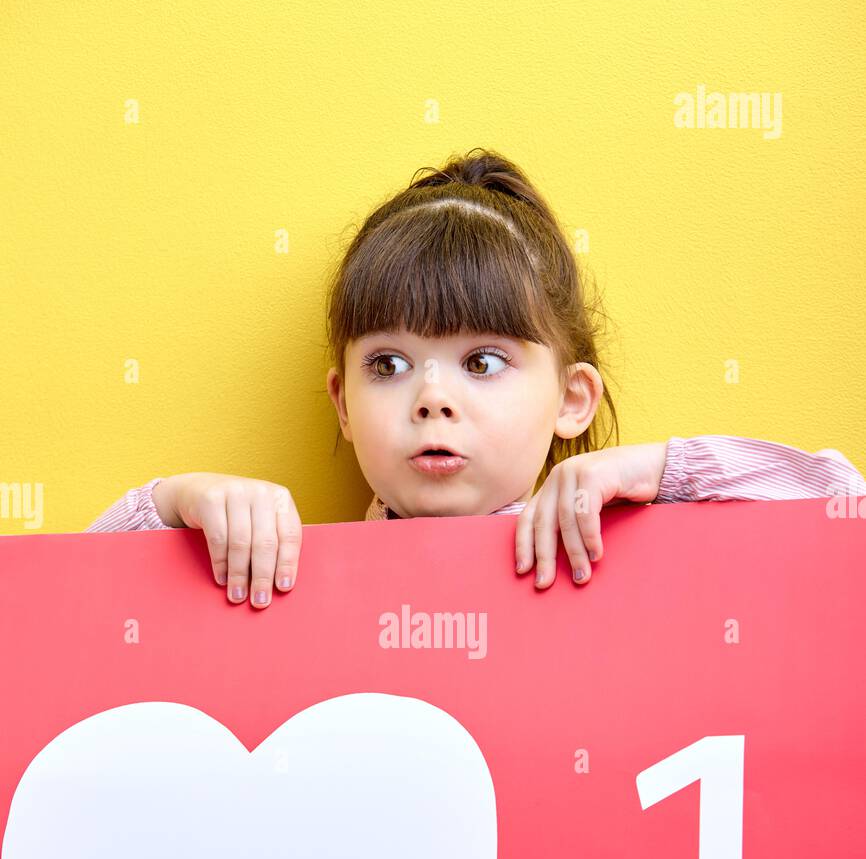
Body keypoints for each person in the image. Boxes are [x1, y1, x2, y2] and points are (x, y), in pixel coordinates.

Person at [84, 148, 866, 606]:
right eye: (388, 365)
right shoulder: (276, 570)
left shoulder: (628, 557)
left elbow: (845, 507)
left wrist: (657, 469)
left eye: (482, 363)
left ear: (571, 399)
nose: (432, 397)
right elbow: (57, 615)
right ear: (343, 403)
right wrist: (174, 503)